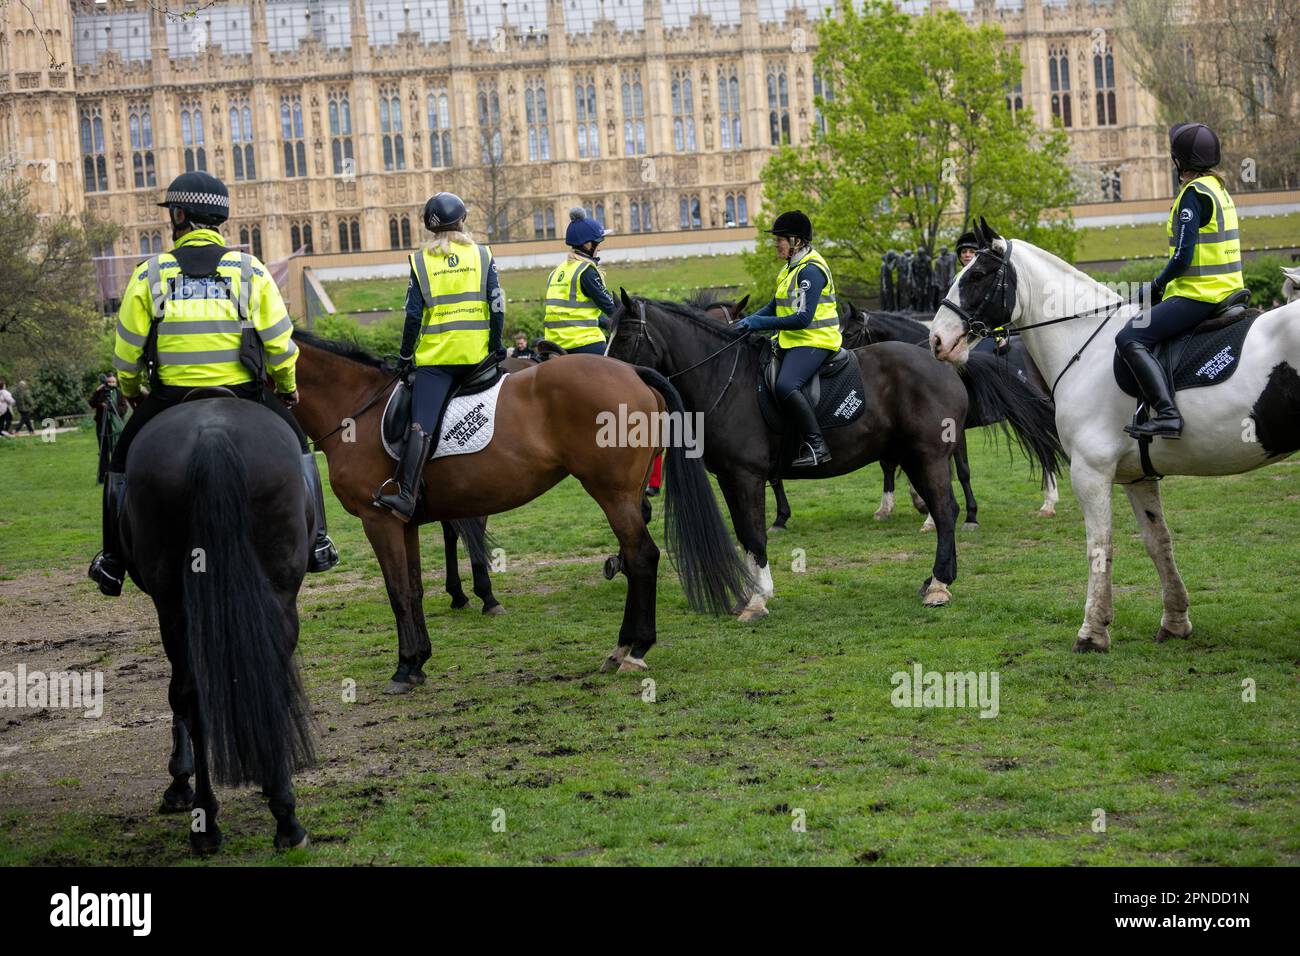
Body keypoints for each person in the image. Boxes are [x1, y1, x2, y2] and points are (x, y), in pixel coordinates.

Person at [88, 171, 338, 597]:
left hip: (169, 398)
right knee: (299, 450)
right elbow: (280, 344)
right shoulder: (249, 270)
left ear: (180, 215)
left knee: (120, 465)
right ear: (219, 219)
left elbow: (126, 355)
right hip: (244, 392)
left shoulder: (150, 274)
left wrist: (131, 391)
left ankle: (112, 558)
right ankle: (317, 541)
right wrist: (287, 385)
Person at [375, 191, 503, 522]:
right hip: (477, 358)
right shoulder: (483, 255)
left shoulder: (421, 261)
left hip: (438, 362)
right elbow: (498, 304)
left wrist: (405, 356)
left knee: (421, 425)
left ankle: (406, 495)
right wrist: (496, 344)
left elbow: (413, 316)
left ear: (431, 229)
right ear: (462, 220)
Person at [1114, 123, 1244, 440]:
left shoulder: (1192, 194)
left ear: (1178, 161)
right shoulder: (1219, 189)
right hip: (1228, 288)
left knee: (1129, 337)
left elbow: (1182, 258)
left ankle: (1168, 414)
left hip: (1200, 295)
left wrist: (1155, 286)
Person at [733, 210, 842, 468]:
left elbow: (803, 318)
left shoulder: (810, 271)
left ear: (797, 241)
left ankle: (817, 445)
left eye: (780, 239)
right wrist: (743, 323)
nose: (776, 244)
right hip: (793, 340)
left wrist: (759, 324)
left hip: (816, 340)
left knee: (786, 385)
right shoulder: (789, 270)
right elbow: (774, 306)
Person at [542, 208, 616, 355]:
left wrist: (606, 323)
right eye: (598, 244)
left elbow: (575, 313)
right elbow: (612, 309)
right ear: (588, 245)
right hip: (583, 342)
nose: (599, 249)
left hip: (554, 343)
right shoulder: (586, 271)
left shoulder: (557, 271)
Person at [89, 373, 129, 483]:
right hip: (102, 425)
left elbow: (124, 408)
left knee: (116, 450)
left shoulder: (119, 393)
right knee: (103, 451)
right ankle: (103, 476)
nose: (111, 384)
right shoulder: (101, 392)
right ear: (106, 382)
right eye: (109, 382)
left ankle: (117, 474)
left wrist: (113, 408)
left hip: (115, 427)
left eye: (113, 382)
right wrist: (97, 392)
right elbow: (92, 403)